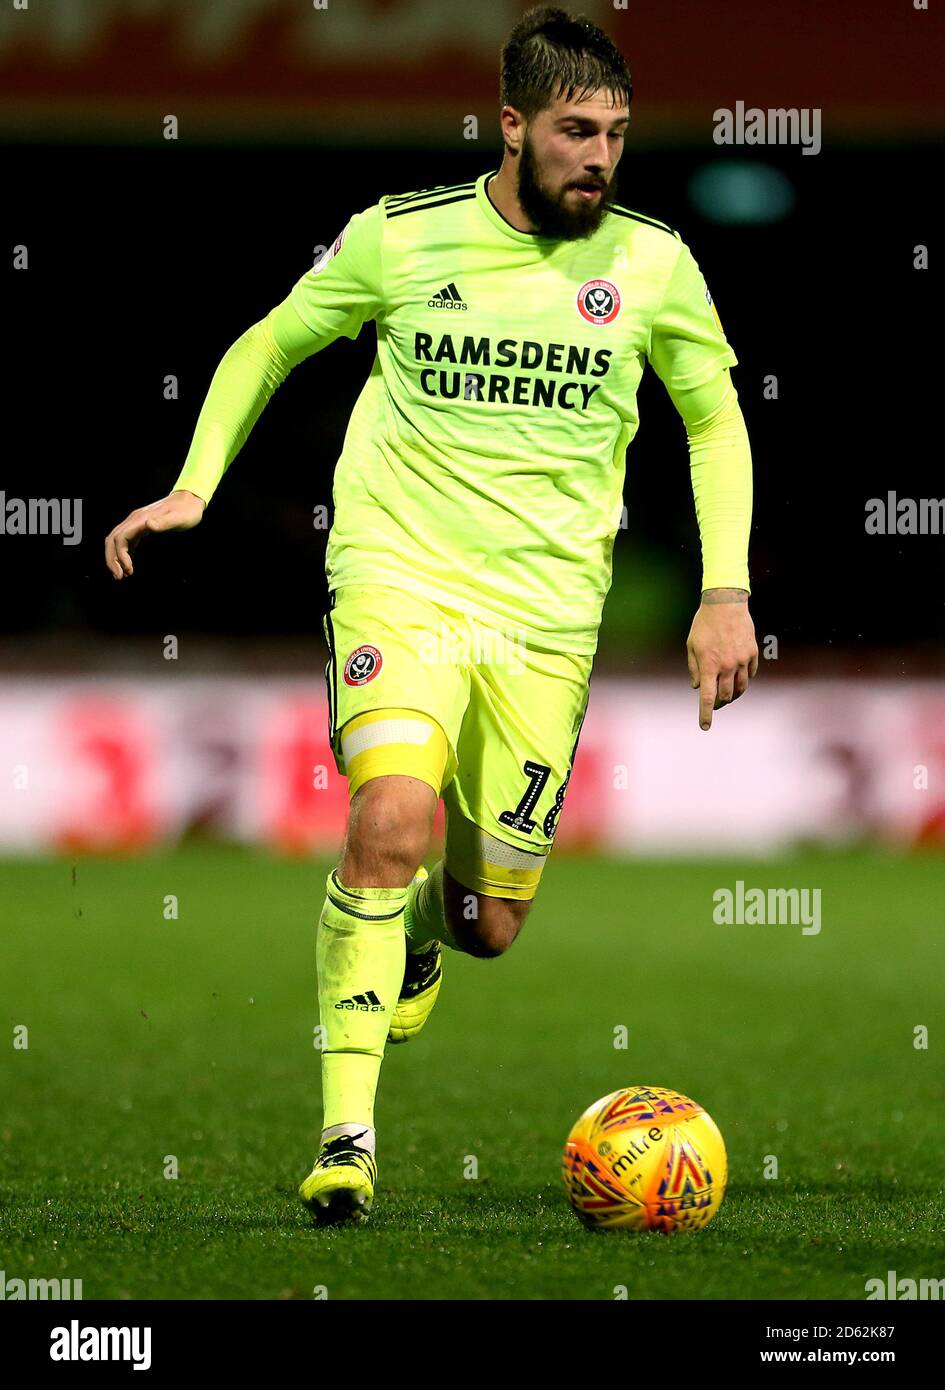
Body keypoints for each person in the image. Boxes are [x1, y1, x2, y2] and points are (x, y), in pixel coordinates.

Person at [104, 6, 757, 1226]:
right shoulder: (400, 240)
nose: (600, 158)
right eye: (575, 131)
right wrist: (196, 485)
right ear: (510, 127)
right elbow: (271, 341)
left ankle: (414, 936)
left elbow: (715, 420)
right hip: (399, 578)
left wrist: (726, 592)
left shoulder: (655, 263)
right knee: (388, 817)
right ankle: (345, 1140)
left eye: (616, 134)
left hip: (546, 620)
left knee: (488, 924)